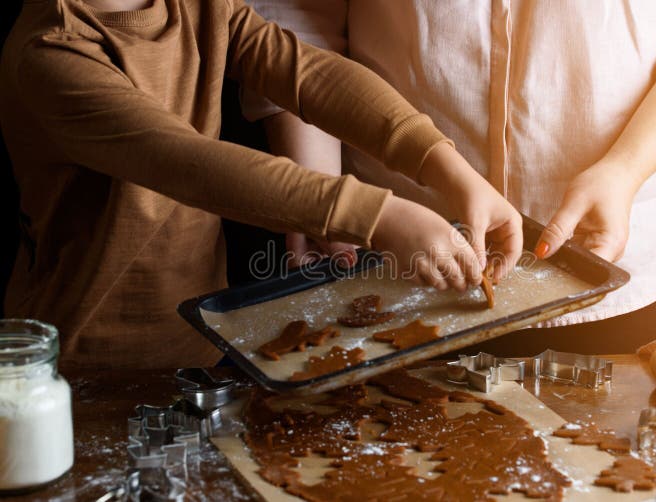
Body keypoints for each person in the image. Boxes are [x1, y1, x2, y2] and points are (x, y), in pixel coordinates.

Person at [242, 0, 656, 354]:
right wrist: (320, 196)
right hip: (393, 252)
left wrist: (627, 167)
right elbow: (292, 16)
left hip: (651, 242)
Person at [0, 0, 522, 368]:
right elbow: (193, 166)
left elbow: (309, 74)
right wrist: (380, 216)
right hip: (84, 366)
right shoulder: (50, 53)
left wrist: (445, 166)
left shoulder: (203, 5)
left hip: (202, 342)